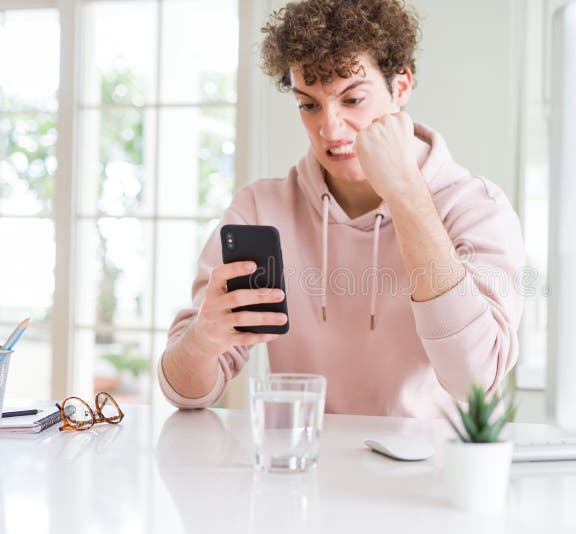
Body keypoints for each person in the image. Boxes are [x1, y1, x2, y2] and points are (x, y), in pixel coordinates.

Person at [159, 0, 525, 417]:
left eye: (352, 100)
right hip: (299, 470)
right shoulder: (260, 209)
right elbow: (185, 393)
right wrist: (204, 339)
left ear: (400, 87)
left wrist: (405, 192)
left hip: (424, 475)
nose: (329, 129)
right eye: (309, 104)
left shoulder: (476, 208)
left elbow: (474, 379)